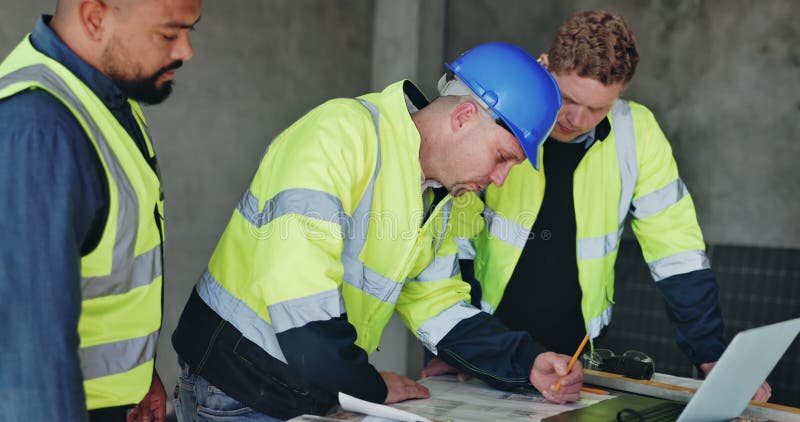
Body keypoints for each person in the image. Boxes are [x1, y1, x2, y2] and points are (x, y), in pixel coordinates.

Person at [170, 41, 583, 421]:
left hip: (309, 386)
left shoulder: (439, 195)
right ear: (463, 118)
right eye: (502, 157)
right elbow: (299, 294)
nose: (500, 179)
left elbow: (436, 305)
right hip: (239, 385)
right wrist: (366, 387)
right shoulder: (340, 135)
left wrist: (526, 361)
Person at [423, 9, 772, 402]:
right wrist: (462, 350)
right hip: (485, 340)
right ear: (544, 66)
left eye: (598, 108)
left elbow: (676, 250)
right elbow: (451, 241)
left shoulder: (637, 134)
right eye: (568, 99)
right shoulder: (501, 116)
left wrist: (711, 353)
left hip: (576, 354)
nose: (577, 119)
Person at [0, 0, 202, 420]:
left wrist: (136, 374)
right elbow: (28, 362)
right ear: (95, 18)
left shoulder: (104, 96)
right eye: (168, 34)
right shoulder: (40, 130)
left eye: (190, 31)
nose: (186, 51)